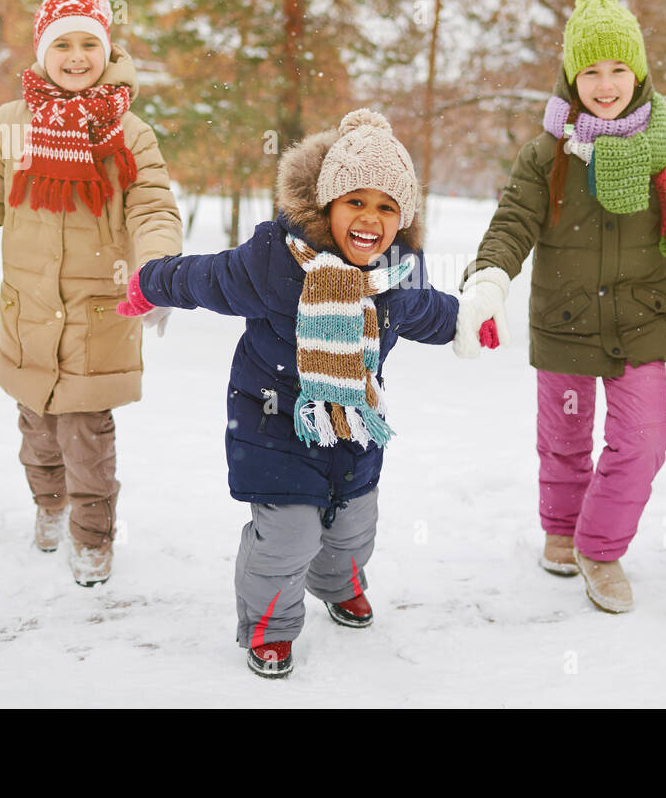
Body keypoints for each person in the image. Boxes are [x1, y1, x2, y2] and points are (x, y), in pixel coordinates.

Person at [451, 0, 666, 614]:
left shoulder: (664, 149)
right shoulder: (547, 154)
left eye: (619, 67)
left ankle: (600, 546)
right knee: (564, 441)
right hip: (564, 321)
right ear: (571, 76)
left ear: (638, 69)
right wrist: (489, 276)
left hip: (639, 320)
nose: (606, 82)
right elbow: (512, 223)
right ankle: (561, 531)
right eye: (590, 69)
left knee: (646, 438)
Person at [117, 109, 460, 678]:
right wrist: (151, 283)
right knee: (287, 535)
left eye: (386, 206)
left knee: (353, 526)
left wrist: (468, 322)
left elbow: (429, 311)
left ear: (403, 218)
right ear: (327, 205)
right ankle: (271, 627)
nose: (369, 218)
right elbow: (207, 277)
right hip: (275, 422)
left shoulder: (398, 276)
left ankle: (336, 583)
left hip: (355, 424)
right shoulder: (276, 260)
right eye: (355, 201)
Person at [0, 0, 182, 587]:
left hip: (99, 319)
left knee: (88, 442)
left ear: (107, 52)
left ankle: (92, 540)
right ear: (42, 51)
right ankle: (48, 506)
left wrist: (157, 273)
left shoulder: (128, 132)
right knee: (36, 435)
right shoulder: (12, 124)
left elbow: (154, 210)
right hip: (27, 317)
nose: (77, 55)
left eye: (90, 43)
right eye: (64, 43)